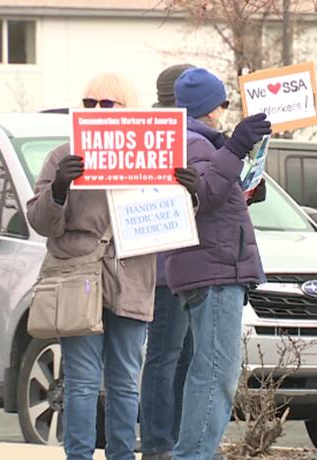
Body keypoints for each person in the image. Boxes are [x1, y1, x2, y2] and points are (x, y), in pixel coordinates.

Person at [26, 73, 200, 460]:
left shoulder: (155, 154)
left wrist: (189, 195)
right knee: (83, 382)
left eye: (107, 105)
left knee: (124, 382)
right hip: (79, 279)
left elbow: (171, 226)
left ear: (127, 109)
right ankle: (79, 456)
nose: (96, 112)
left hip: (132, 278)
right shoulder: (62, 155)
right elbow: (39, 223)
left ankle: (121, 455)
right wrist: (58, 189)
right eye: (89, 104)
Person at [140, 63, 269, 460]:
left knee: (206, 369)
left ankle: (192, 451)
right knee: (215, 373)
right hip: (212, 268)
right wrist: (234, 149)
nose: (224, 110)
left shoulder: (198, 142)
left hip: (210, 267)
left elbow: (213, 189)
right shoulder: (193, 143)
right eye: (223, 102)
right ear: (211, 106)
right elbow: (204, 195)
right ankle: (192, 454)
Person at [140, 63, 197, 460]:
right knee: (167, 356)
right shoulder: (154, 137)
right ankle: (160, 442)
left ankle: (174, 440)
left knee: (184, 358)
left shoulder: (191, 137)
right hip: (163, 265)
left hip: (190, 265)